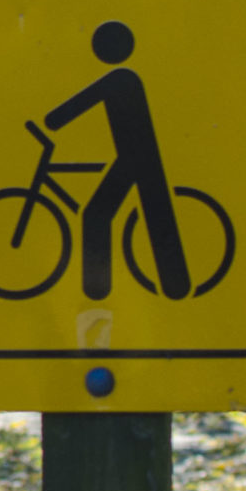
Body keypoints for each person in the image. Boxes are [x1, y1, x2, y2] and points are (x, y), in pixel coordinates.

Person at [43, 23, 189, 301]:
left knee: (99, 213)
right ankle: (175, 286)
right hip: (138, 156)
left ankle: (96, 291)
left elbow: (76, 106)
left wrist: (51, 123)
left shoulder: (120, 79)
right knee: (157, 218)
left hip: (136, 158)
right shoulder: (125, 78)